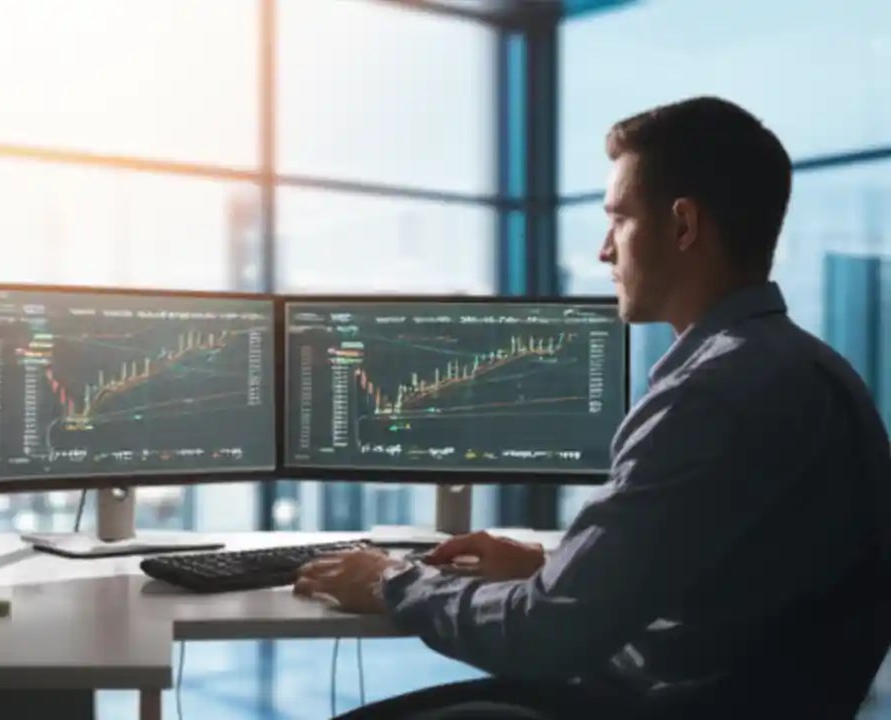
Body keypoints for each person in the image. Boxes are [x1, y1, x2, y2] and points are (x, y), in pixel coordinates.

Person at [293, 95, 891, 719]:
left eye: (619, 220)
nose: (605, 251)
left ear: (683, 226)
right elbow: (735, 582)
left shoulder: (711, 394)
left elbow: (546, 637)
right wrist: (556, 568)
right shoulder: (818, 371)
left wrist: (393, 580)